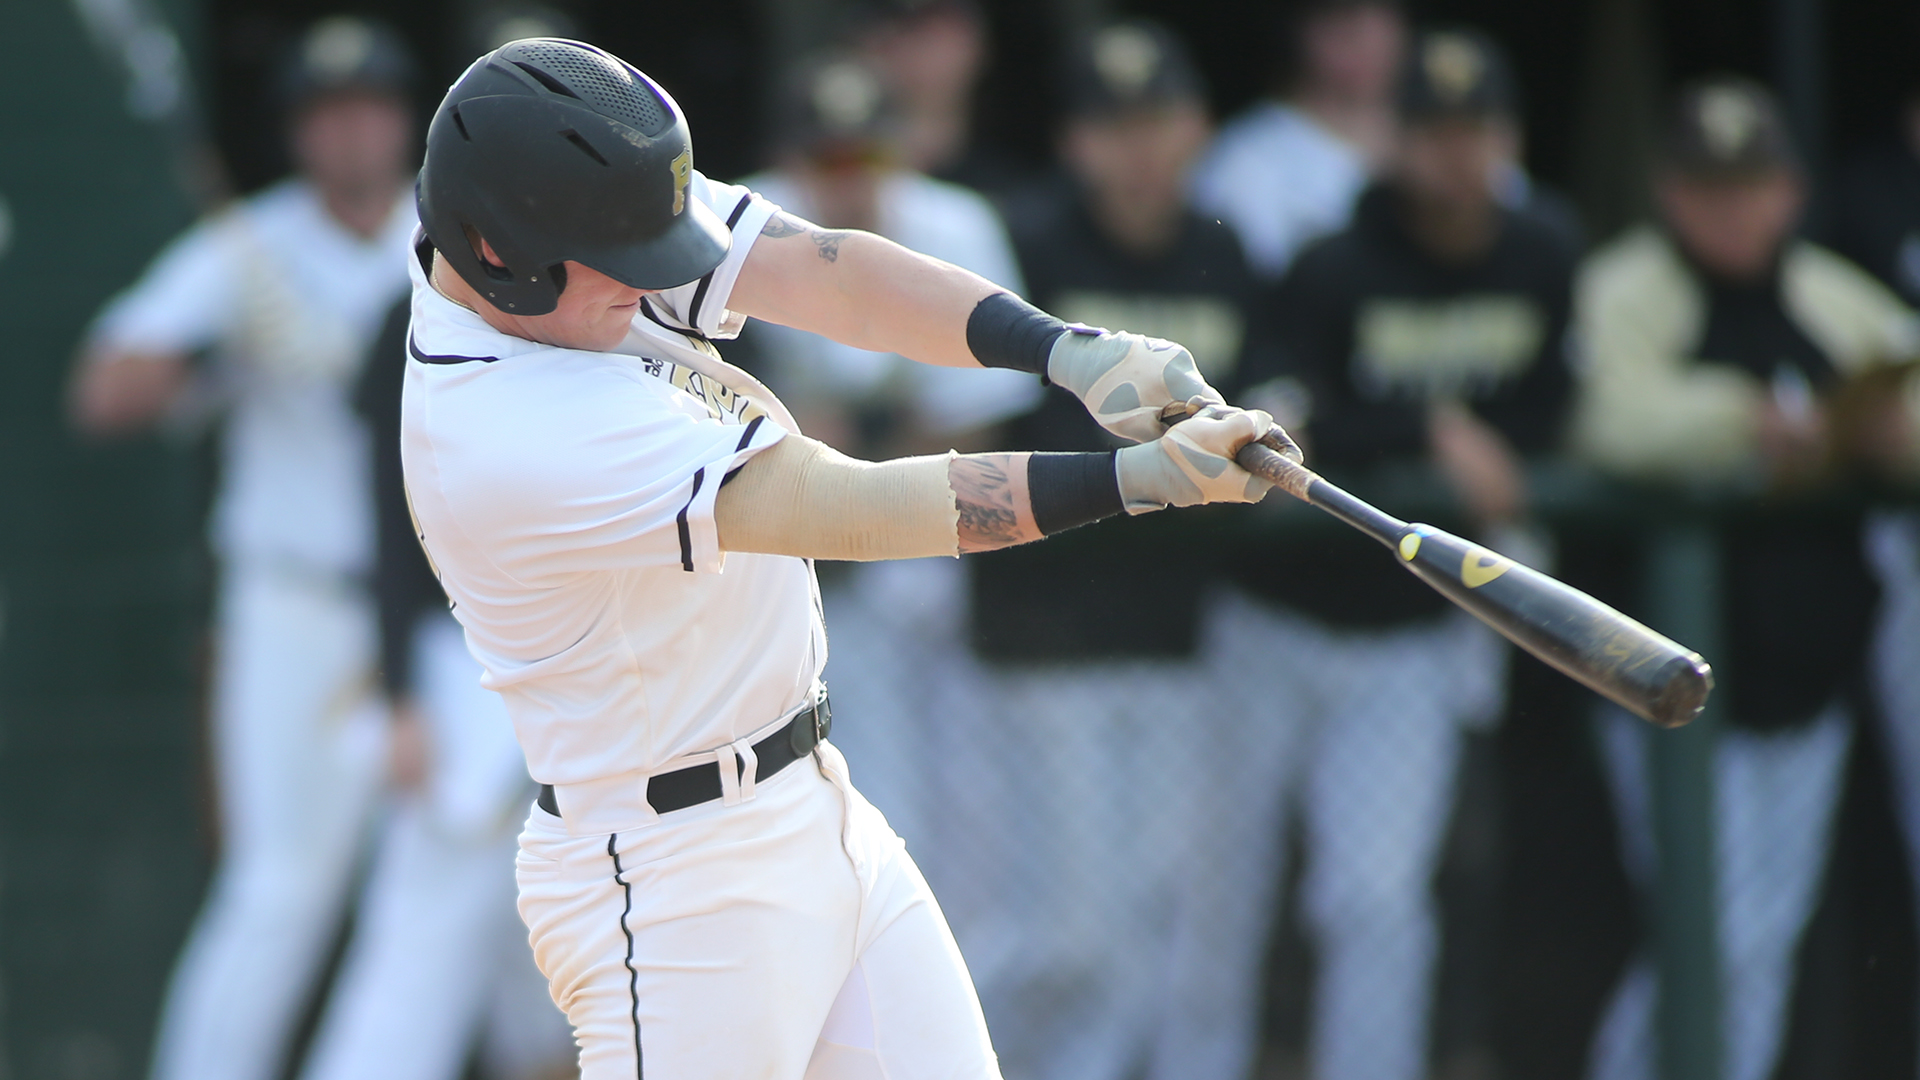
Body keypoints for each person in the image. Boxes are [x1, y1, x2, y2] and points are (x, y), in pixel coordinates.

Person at [402, 37, 1278, 1080]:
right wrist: (1134, 481)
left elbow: (828, 274)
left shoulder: (566, 240)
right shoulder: (499, 425)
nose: (651, 286)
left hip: (817, 811)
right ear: (497, 250)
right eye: (624, 269)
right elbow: (846, 505)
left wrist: (1066, 352)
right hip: (674, 888)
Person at [1213, 30, 1577, 1080]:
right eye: (1434, 132)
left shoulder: (1544, 248)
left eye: (1479, 131)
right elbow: (1289, 414)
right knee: (1222, 899)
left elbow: (1558, 412)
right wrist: (1427, 434)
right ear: (1395, 142)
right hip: (1274, 620)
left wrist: (1457, 431)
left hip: (1412, 636)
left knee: (1377, 901)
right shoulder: (1337, 263)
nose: (1459, 156)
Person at [903, 23, 1262, 1080]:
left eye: (1157, 120)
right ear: (1073, 141)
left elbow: (1283, 380)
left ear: (1196, 128)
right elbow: (971, 413)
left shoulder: (1225, 244)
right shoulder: (1025, 241)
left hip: (1175, 625)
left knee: (1152, 923)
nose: (1140, 148)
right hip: (1037, 634)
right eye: (1113, 127)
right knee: (1065, 930)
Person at [68, 18, 419, 1080]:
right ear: (300, 132)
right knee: (284, 889)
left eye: (370, 107)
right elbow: (101, 390)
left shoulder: (457, 237)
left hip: (452, 619)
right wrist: (217, 350)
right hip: (298, 605)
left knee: (476, 894)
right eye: (328, 113)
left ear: (404, 121)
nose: (353, 133)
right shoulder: (249, 250)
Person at [1572, 77, 1920, 1080]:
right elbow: (1602, 419)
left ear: (1791, 189)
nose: (1734, 208)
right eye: (1709, 185)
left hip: (1806, 683)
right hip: (1662, 684)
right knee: (1707, 938)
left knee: (1763, 942)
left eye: (1753, 183)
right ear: (1668, 191)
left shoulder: (1829, 295)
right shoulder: (1625, 288)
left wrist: (1889, 442)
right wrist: (1742, 422)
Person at [1190, 0, 1405, 280]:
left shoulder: (1453, 135)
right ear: (1301, 30)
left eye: (1380, 17)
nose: (1367, 37)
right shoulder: (1246, 159)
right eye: (1342, 19)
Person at [847, 0, 1023, 196]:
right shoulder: (838, 165)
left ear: (977, 48)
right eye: (902, 33)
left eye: (934, 36)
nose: (916, 52)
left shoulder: (1012, 174)